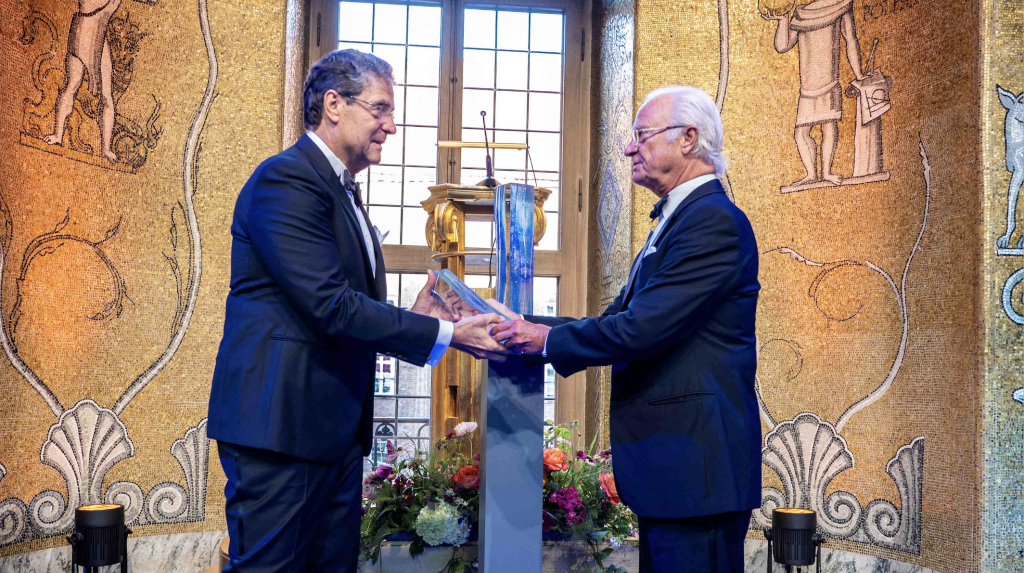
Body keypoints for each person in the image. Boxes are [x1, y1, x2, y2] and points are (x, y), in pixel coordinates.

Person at [207, 49, 505, 573]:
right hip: (282, 432)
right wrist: (445, 333)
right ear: (334, 104)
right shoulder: (287, 180)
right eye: (381, 109)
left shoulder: (343, 192)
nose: (391, 126)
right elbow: (330, 306)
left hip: (332, 433)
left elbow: (344, 304)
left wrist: (415, 313)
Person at [488, 86, 761, 573]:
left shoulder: (713, 222)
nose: (629, 148)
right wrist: (523, 327)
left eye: (642, 135)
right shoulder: (677, 220)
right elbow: (617, 320)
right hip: (675, 473)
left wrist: (544, 340)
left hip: (697, 471)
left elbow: (642, 329)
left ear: (688, 139)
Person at [762, 0, 864, 187]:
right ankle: (811, 174)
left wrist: (859, 75)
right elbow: (782, 46)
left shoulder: (840, 7)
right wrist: (783, 20)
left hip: (829, 82)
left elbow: (851, 40)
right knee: (801, 133)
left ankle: (826, 172)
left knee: (828, 127)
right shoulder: (802, 14)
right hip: (807, 88)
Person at [43, 0, 123, 162]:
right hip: (90, 36)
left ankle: (60, 135)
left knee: (76, 87)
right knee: (101, 94)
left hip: (83, 31)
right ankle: (103, 148)